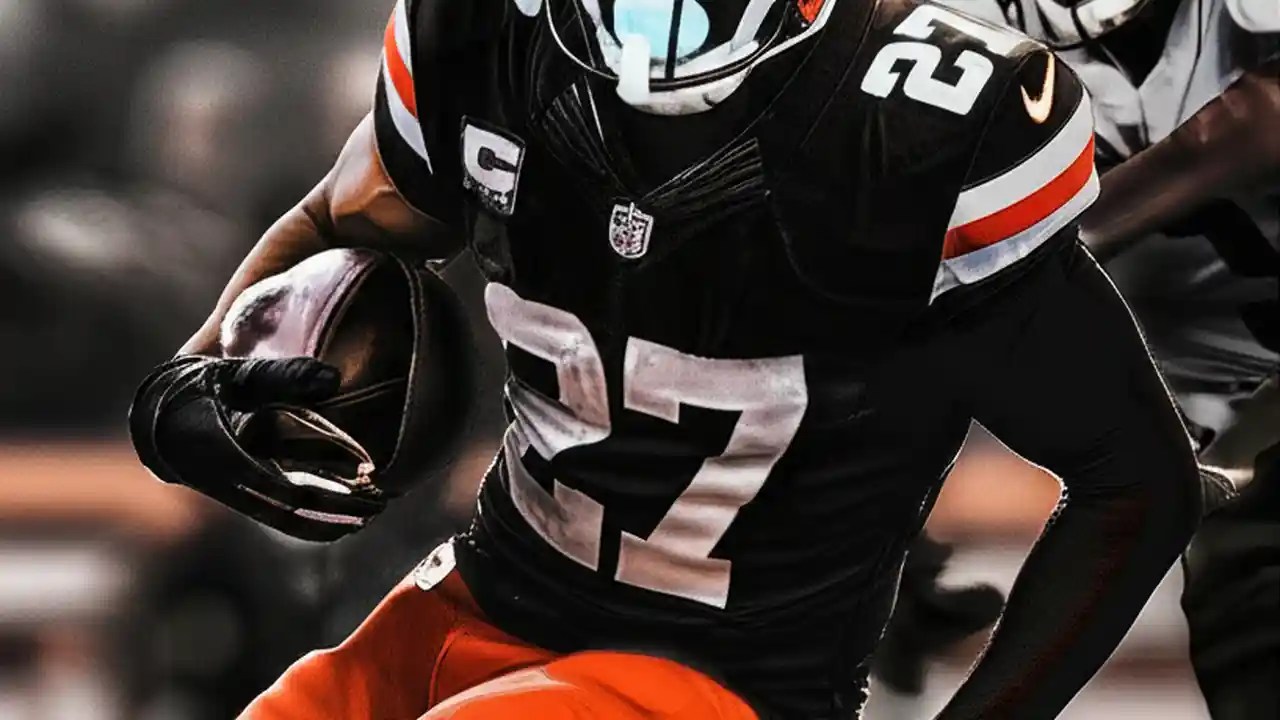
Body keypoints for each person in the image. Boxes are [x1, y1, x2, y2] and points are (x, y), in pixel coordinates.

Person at [129, 0, 1204, 717]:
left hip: (715, 684)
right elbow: (345, 221)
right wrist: (186, 389)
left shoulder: (908, 131)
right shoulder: (485, 38)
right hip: (478, 599)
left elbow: (1138, 482)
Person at [932, 0, 1280, 716]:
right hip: (1206, 394)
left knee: (1251, 559)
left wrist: (1041, 243)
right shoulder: (934, 41)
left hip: (1234, 397)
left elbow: (1262, 120)